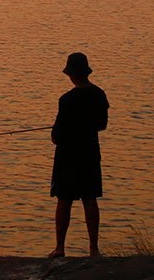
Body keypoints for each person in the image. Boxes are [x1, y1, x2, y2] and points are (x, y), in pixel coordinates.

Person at [49, 52, 109, 259]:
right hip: (90, 153)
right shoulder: (100, 95)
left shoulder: (66, 100)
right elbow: (102, 124)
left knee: (64, 200)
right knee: (90, 199)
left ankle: (60, 248)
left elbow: (56, 137)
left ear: (71, 74)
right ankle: (94, 249)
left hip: (67, 156)